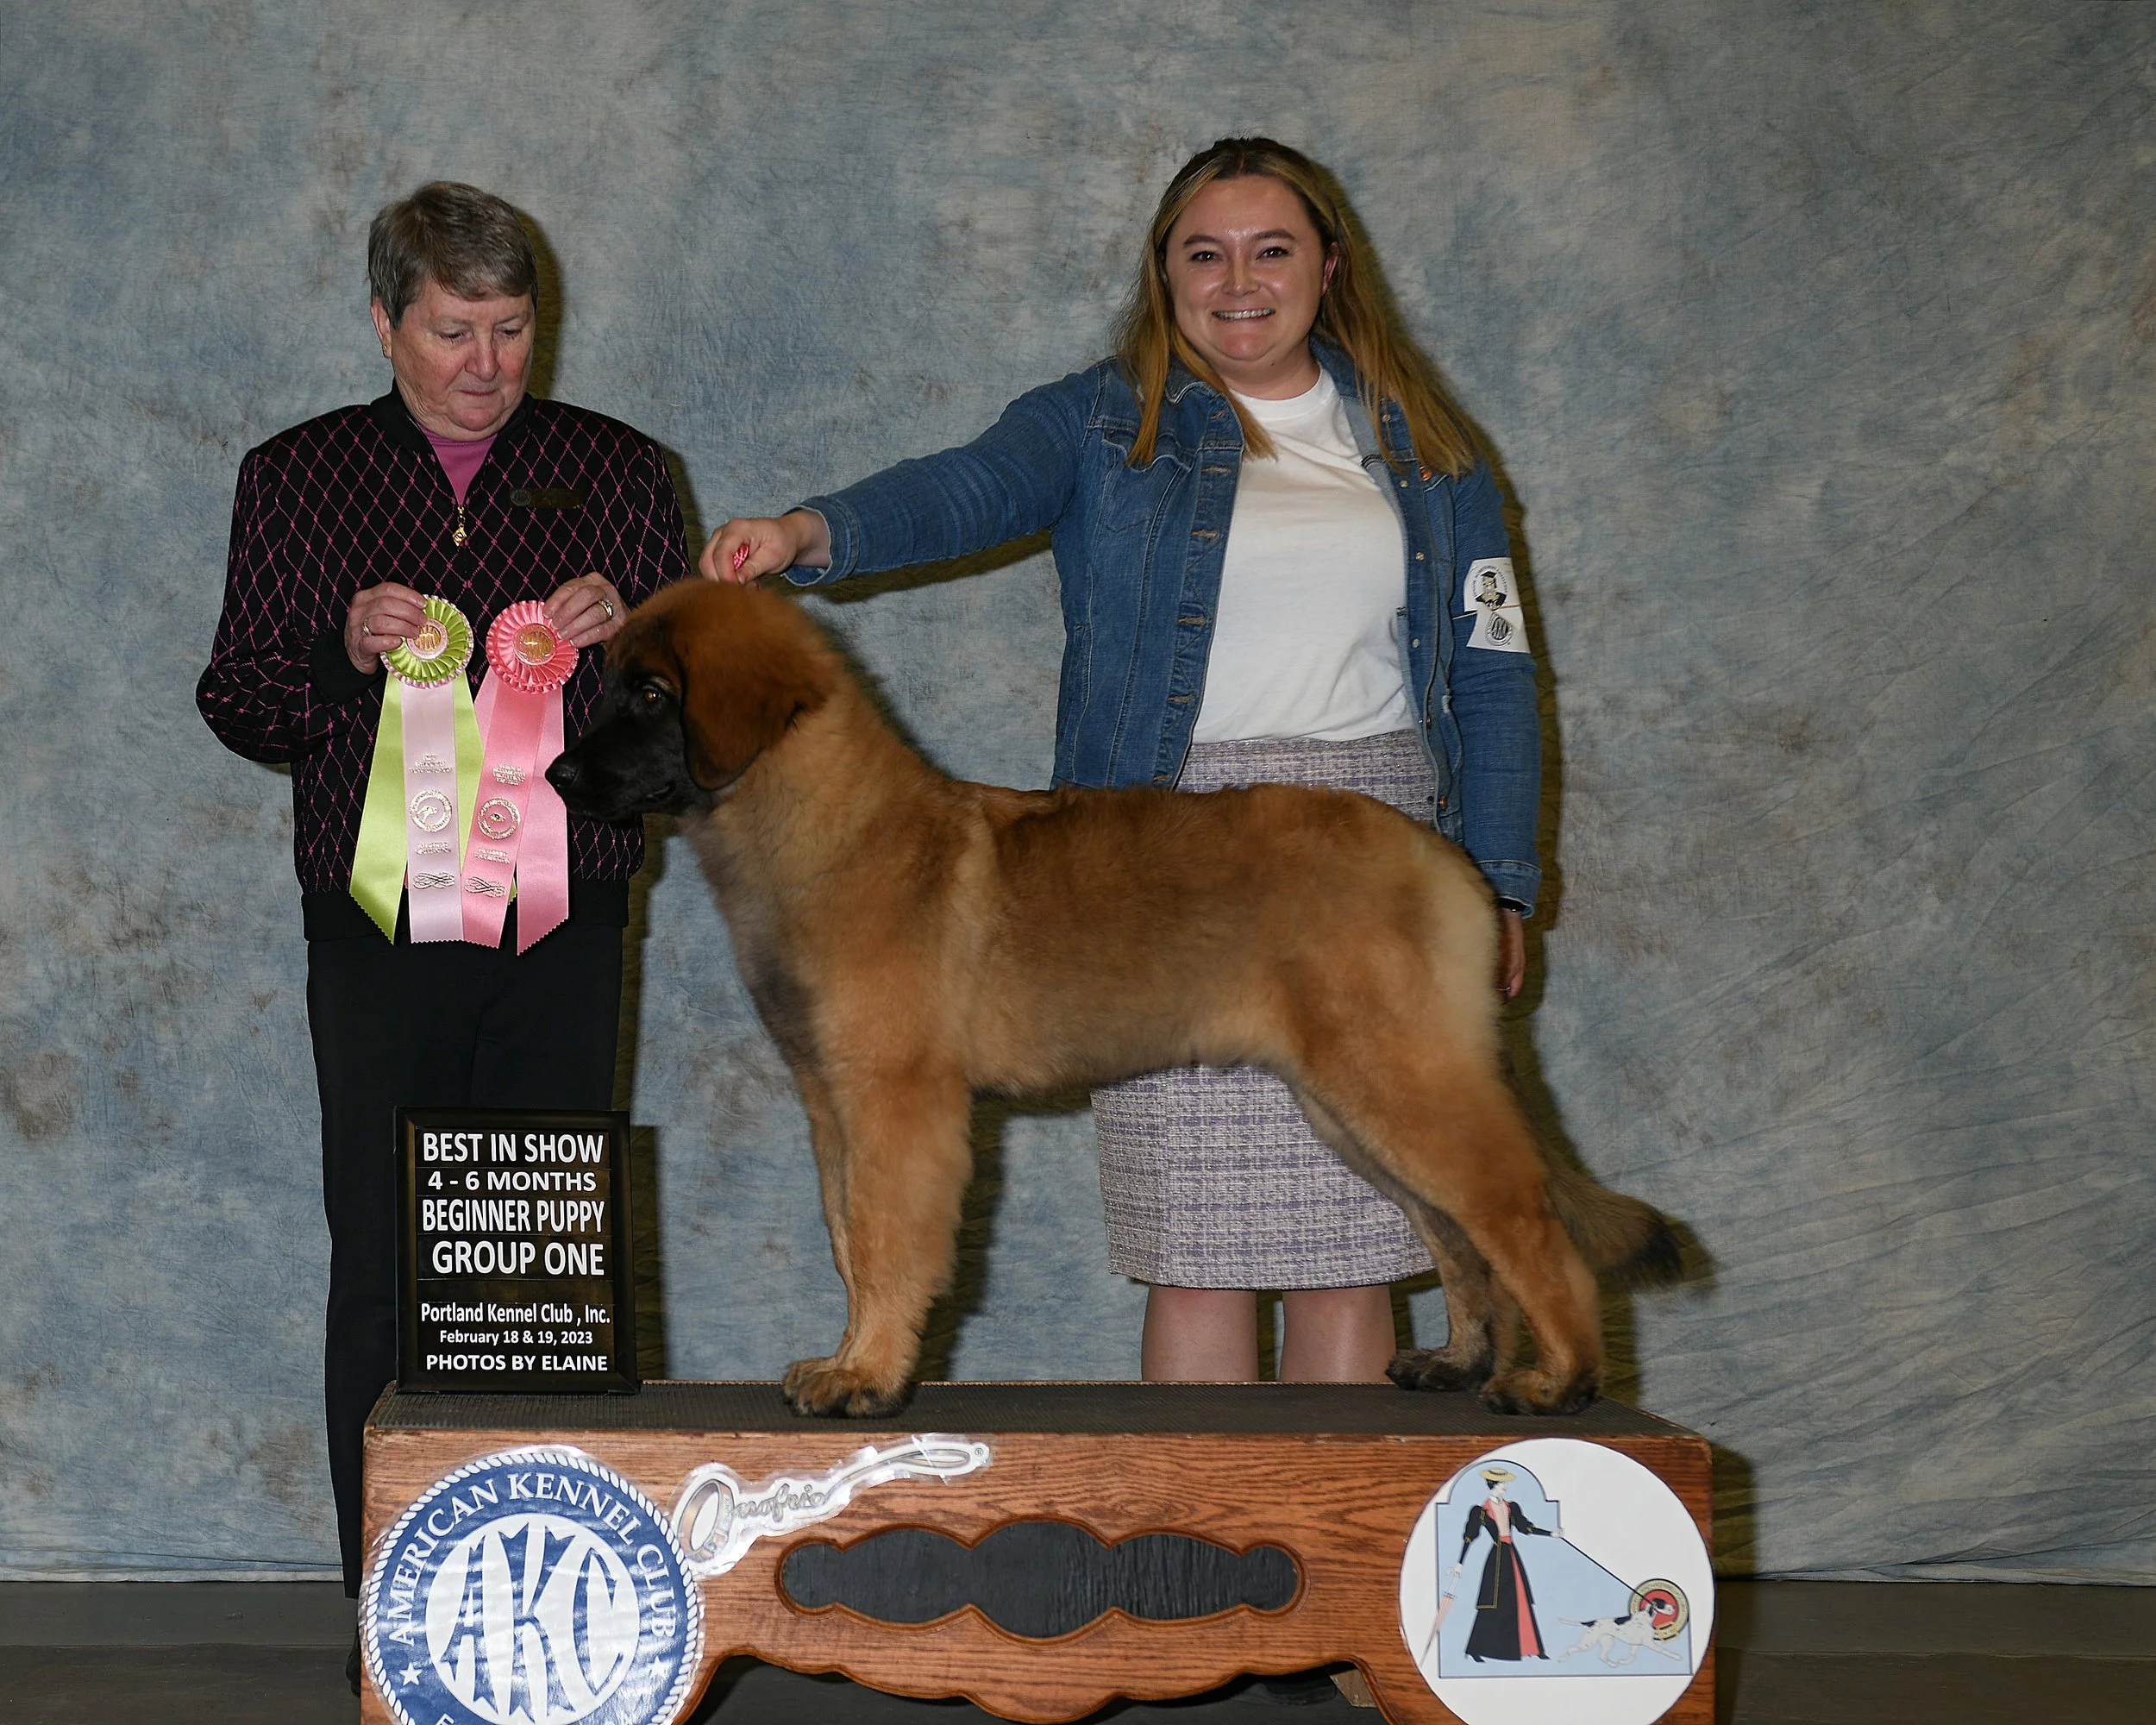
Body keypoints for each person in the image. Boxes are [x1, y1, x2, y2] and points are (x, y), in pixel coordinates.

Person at [705, 137, 1541, 1389]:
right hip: (1152, 855)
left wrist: (1502, 876)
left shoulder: (1430, 448)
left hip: (1366, 847)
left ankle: (1335, 1555)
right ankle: (1192, 1563)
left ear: (1330, 265)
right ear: (1165, 273)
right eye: (1204, 253)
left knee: (1347, 1246)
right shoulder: (1102, 420)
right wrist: (815, 531)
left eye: (1272, 250)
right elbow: (969, 486)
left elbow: (1491, 672)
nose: (1239, 281)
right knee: (1195, 1243)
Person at [195, 183, 689, 1684]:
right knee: (387, 1254)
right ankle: (390, 1604)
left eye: (513, 328)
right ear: (384, 323)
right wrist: (344, 662)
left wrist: (636, 644)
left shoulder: (617, 468)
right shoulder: (296, 476)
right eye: (453, 330)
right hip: (374, 914)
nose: (487, 362)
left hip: (569, 905)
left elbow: (683, 727)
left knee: (542, 1251)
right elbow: (238, 698)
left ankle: (560, 1604)